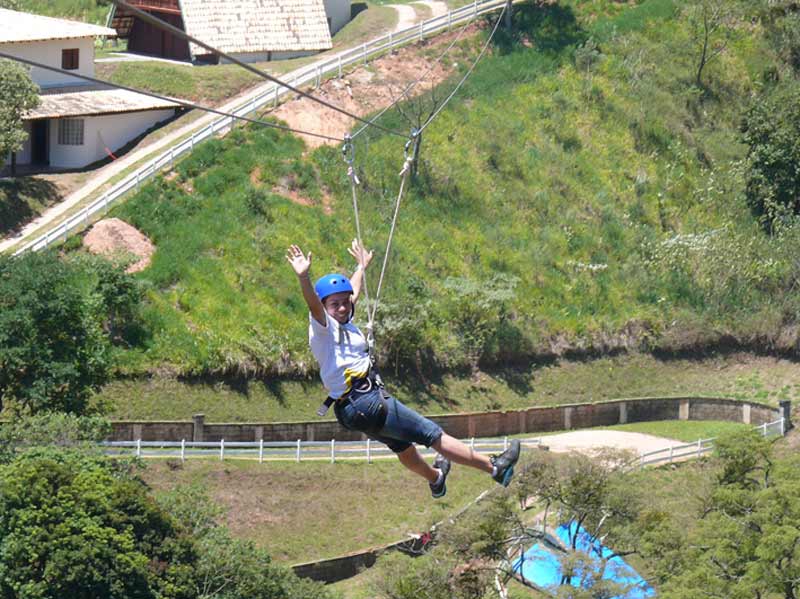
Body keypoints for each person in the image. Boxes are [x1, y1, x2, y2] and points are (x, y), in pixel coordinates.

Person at [286, 240, 521, 498]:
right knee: (432, 434)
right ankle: (495, 467)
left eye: (345, 303)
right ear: (324, 307)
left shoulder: (345, 320)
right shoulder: (323, 327)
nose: (342, 307)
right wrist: (304, 277)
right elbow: (313, 304)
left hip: (351, 409)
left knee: (403, 447)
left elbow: (352, 290)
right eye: (334, 305)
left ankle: (436, 479)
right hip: (366, 401)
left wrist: (361, 267)